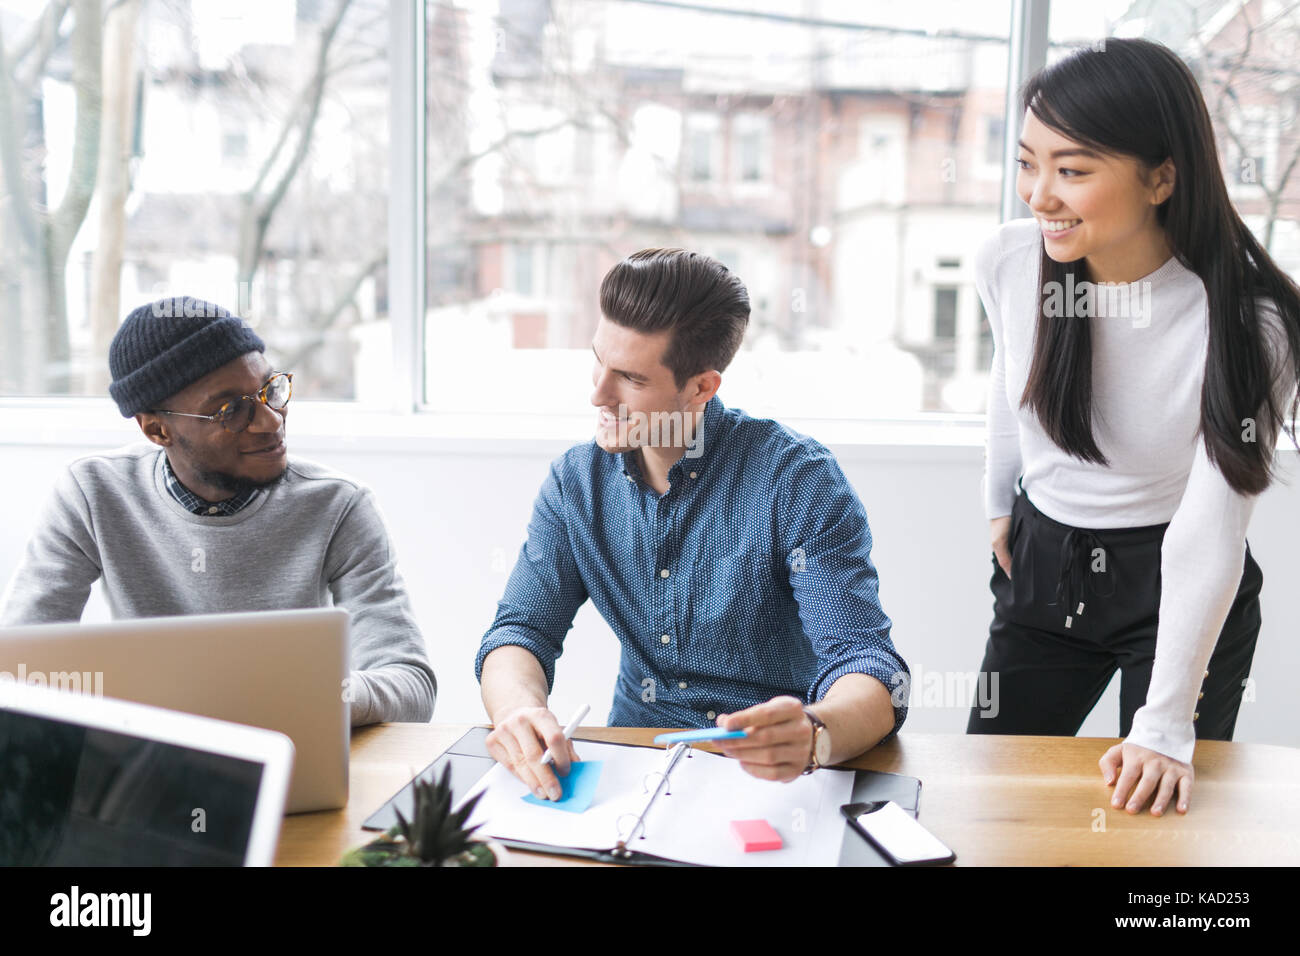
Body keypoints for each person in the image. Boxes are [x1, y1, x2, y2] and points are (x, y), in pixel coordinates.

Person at [968, 38, 1300, 817]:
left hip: (1177, 580)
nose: (1038, 195)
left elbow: (1213, 524)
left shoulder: (1254, 326)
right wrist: (997, 501)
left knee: (1153, 821)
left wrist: (1165, 721)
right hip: (1046, 564)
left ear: (1161, 177)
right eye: (1027, 163)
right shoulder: (1010, 263)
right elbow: (1008, 380)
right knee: (992, 804)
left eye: (1072, 170)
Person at [477, 248, 909, 801]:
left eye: (630, 378)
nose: (597, 395)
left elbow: (868, 666)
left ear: (703, 387)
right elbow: (520, 632)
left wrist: (815, 734)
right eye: (598, 362)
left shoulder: (797, 481)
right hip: (632, 767)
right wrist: (518, 711)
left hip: (770, 778)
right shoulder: (576, 484)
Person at [0, 297, 436, 726]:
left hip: (290, 750)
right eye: (231, 410)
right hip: (148, 763)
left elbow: (411, 685)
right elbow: (19, 669)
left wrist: (320, 695)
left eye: (271, 390)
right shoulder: (92, 494)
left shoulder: (339, 506)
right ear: (157, 429)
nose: (270, 421)